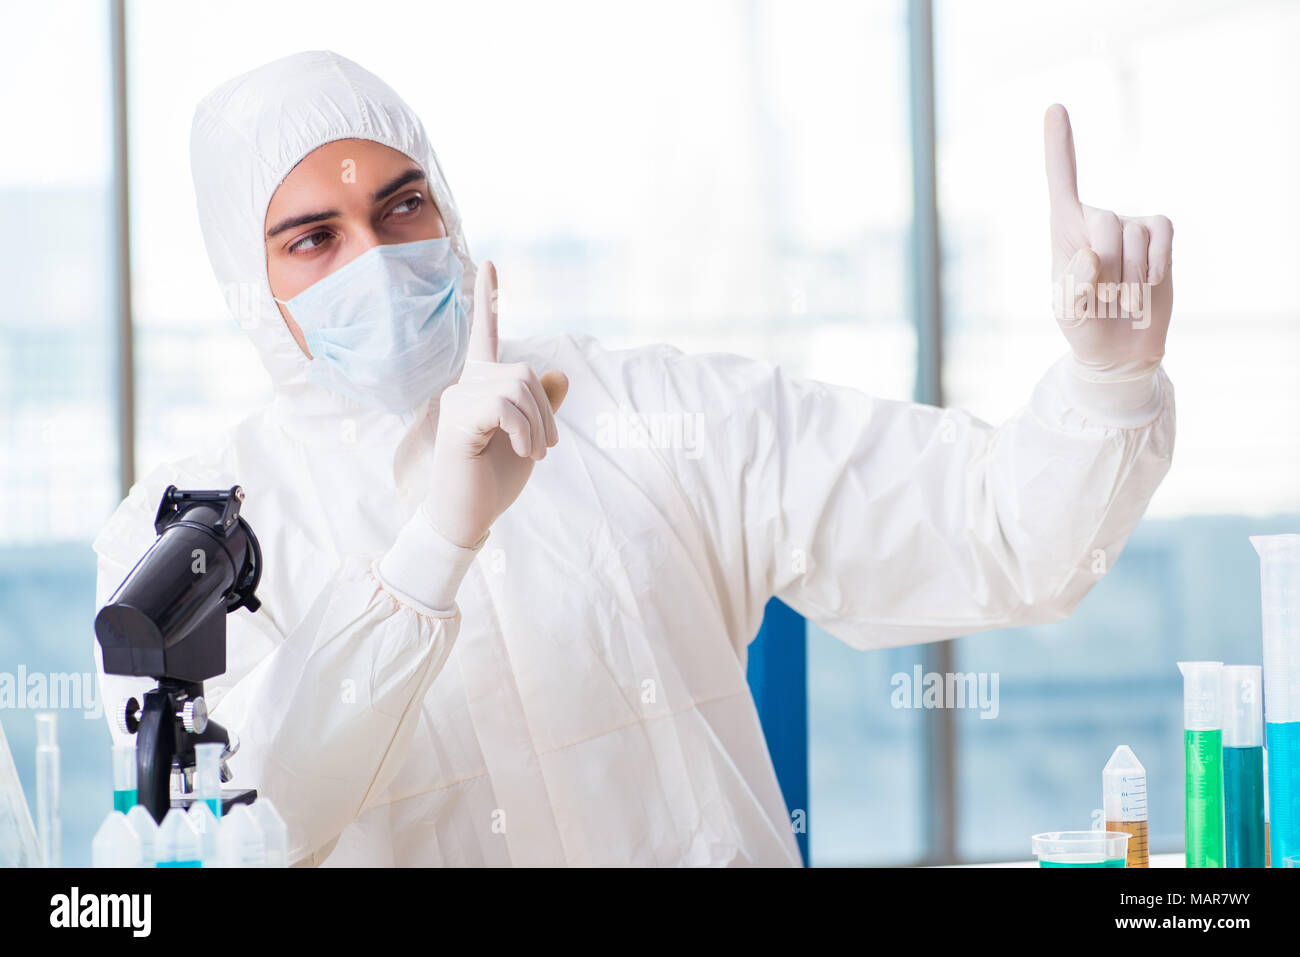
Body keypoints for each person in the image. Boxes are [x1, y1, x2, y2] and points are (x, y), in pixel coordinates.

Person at [93, 50, 1175, 866]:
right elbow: (241, 827)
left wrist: (1104, 381)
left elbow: (997, 533)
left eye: (401, 205)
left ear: (449, 213)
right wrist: (435, 547)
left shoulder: (652, 413)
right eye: (314, 239)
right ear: (249, 274)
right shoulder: (193, 533)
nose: (373, 259)